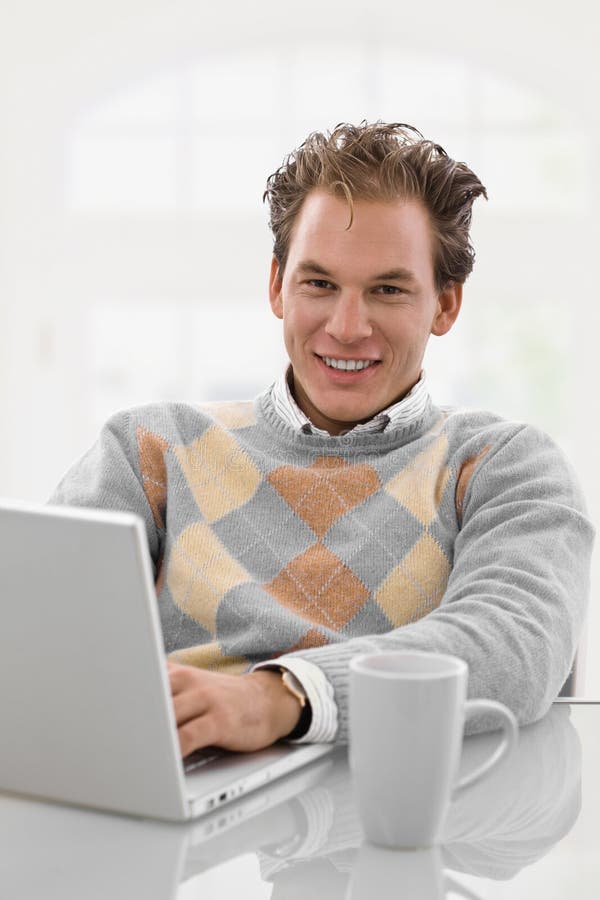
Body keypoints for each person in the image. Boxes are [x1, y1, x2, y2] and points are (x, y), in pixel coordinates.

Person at [49, 121, 594, 757]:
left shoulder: (504, 466)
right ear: (278, 285)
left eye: (387, 289)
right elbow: (40, 639)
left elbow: (514, 645)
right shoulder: (150, 450)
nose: (346, 326)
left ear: (445, 305)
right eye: (320, 284)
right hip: (186, 813)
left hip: (409, 817)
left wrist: (281, 698)